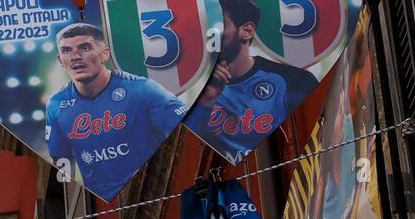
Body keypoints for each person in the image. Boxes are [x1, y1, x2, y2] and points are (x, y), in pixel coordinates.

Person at [44, 22, 187, 198]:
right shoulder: (56, 105)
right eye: (66, 50)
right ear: (60, 60)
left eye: (85, 48)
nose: (75, 57)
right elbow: (61, 161)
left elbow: (187, 131)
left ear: (105, 53)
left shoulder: (143, 90)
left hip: (156, 193)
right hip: (104, 206)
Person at [187, 0, 318, 162]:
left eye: (218, 26)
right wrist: (207, 99)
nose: (209, 35)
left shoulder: (292, 81)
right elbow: (189, 155)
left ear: (247, 31)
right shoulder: (195, 93)